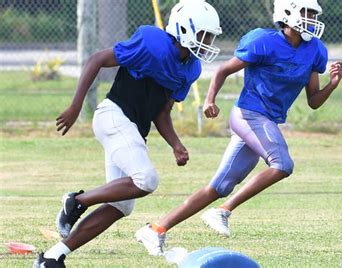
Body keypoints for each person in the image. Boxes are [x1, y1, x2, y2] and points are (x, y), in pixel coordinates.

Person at [135, 0, 342, 256]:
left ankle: (156, 229)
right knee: (282, 164)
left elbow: (313, 101)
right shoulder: (263, 41)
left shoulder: (314, 50)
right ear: (288, 13)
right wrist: (210, 100)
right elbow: (223, 70)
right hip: (248, 114)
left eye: (313, 14)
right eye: (307, 12)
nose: (311, 18)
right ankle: (223, 210)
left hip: (266, 121)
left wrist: (332, 84)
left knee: (218, 188)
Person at [32, 0, 222, 267]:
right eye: (204, 34)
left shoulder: (191, 68)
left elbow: (162, 111)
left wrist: (175, 144)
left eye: (210, 36)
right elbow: (97, 59)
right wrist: (76, 105)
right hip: (113, 115)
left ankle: (53, 256)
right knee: (146, 179)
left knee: (123, 206)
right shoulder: (152, 43)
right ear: (184, 29)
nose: (208, 41)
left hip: (131, 129)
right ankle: (76, 201)